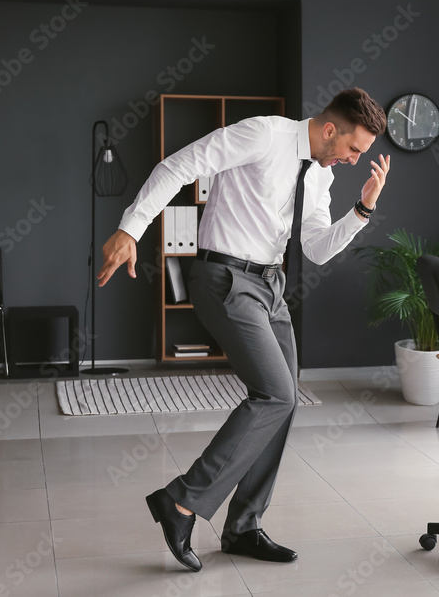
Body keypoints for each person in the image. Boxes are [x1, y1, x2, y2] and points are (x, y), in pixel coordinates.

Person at [96, 87, 389, 572]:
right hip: (224, 278)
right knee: (275, 395)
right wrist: (131, 228)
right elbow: (177, 166)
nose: (356, 160)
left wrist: (361, 211)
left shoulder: (320, 175)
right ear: (332, 129)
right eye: (354, 149)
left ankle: (244, 526)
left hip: (270, 286)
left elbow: (315, 248)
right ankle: (181, 501)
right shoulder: (264, 134)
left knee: (284, 401)